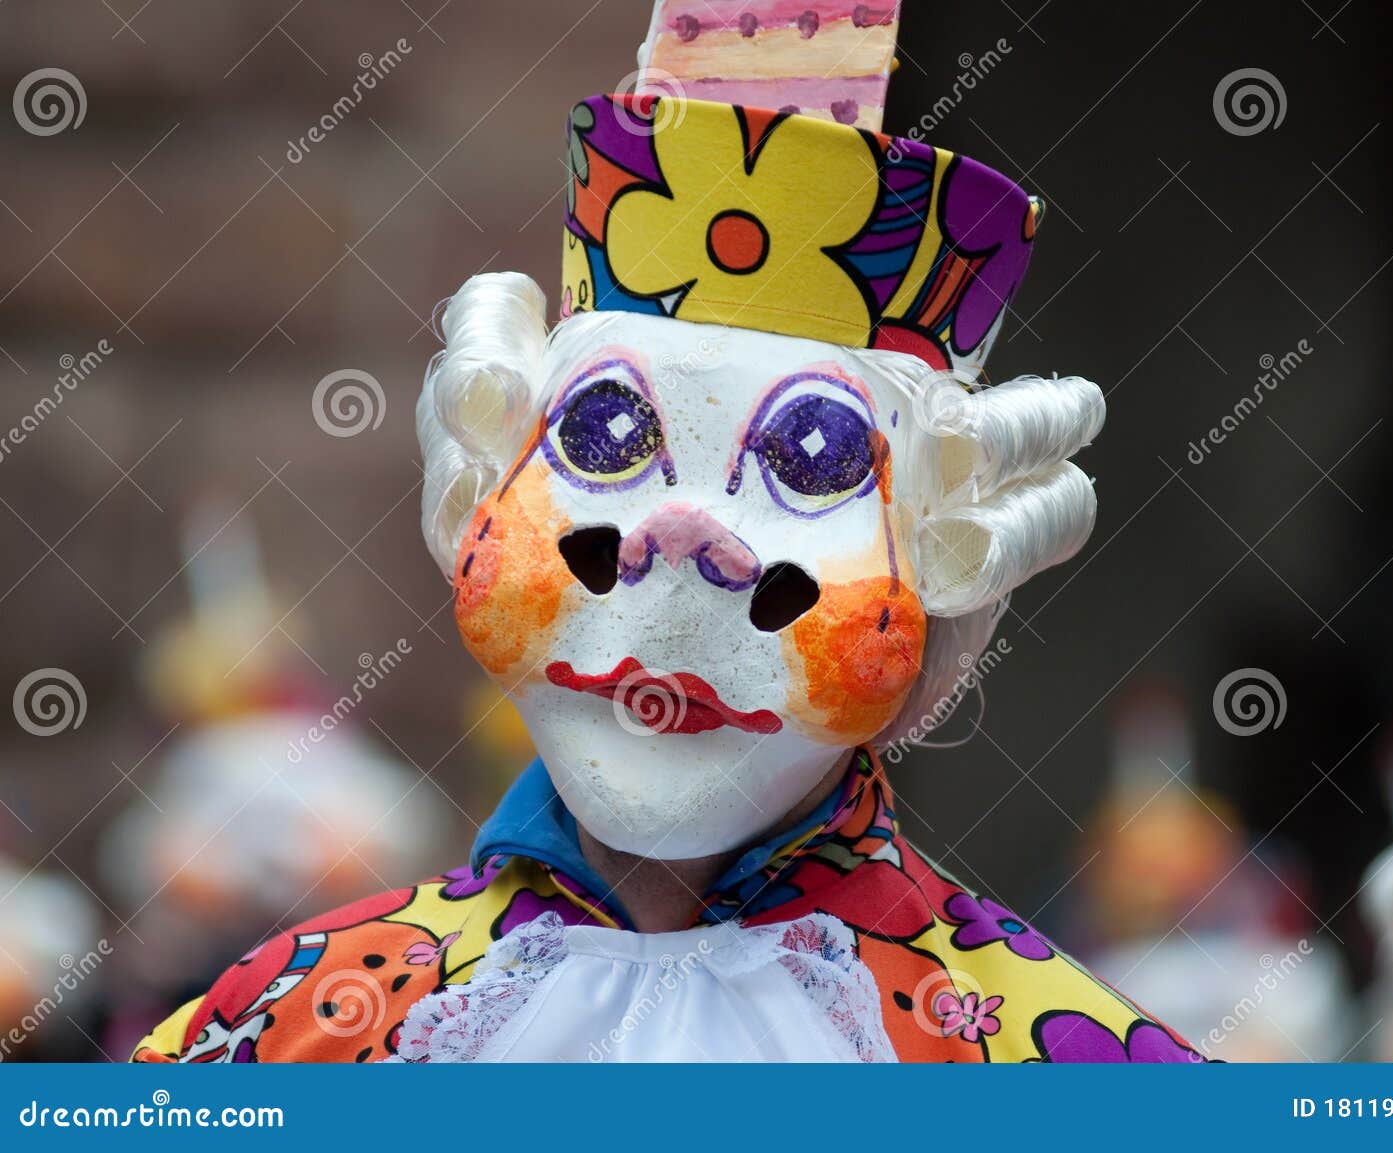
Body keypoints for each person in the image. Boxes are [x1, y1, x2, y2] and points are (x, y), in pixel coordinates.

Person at [132, 0, 1200, 1063]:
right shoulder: (273, 1040)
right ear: (482, 493)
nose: (680, 551)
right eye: (604, 435)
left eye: (811, 461)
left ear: (943, 563)